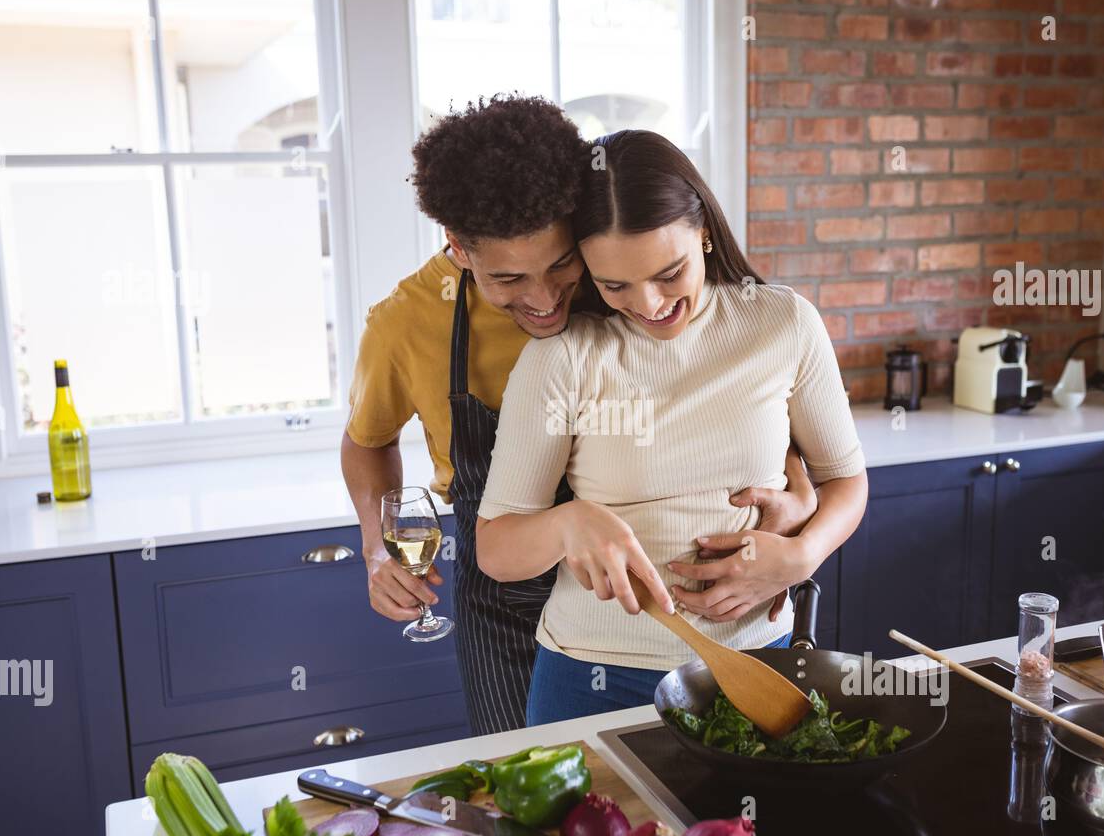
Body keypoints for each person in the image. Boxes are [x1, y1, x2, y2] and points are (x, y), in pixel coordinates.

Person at [341, 100, 816, 735]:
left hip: (670, 597)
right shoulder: (404, 322)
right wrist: (377, 548)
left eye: (562, 266)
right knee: (529, 801)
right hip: (508, 588)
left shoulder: (625, 275)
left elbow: (727, 391)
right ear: (457, 248)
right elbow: (368, 441)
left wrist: (798, 494)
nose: (543, 300)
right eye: (507, 279)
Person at [475, 130, 869, 724]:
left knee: (753, 821)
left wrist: (803, 554)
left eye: (669, 272)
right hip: (592, 676)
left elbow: (846, 480)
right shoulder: (564, 357)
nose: (651, 303)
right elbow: (496, 550)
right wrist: (566, 524)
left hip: (758, 661)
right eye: (615, 286)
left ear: (704, 230)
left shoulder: (782, 322)